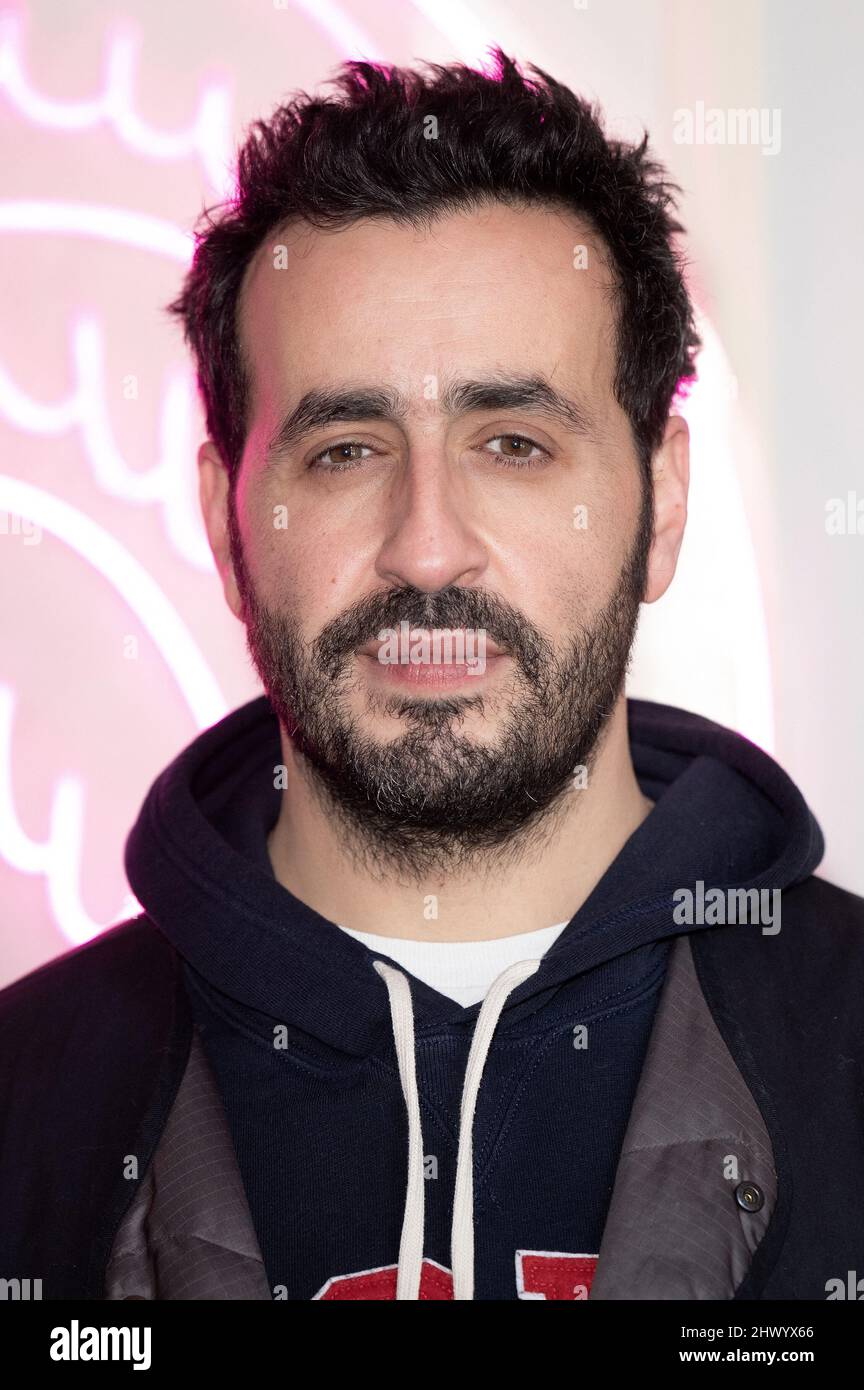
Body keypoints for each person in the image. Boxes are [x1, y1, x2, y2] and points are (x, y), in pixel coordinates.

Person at [1, 48, 862, 1303]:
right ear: (226, 523)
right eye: (345, 450)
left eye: (513, 443)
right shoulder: (26, 1104)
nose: (426, 545)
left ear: (663, 502)